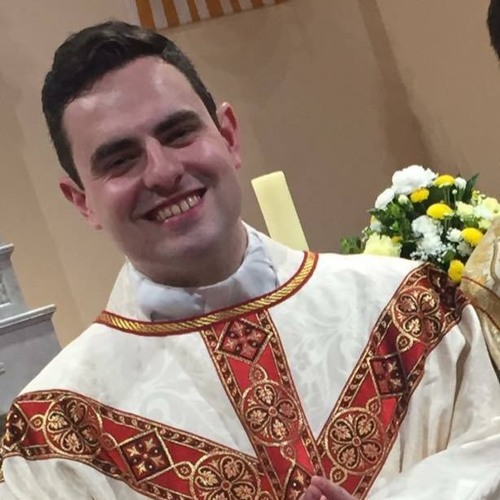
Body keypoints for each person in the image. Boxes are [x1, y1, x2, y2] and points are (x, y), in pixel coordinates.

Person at [0, 20, 500, 500]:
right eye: (120, 159)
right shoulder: (57, 429)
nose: (163, 171)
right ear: (82, 201)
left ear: (229, 135)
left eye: (178, 133)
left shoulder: (409, 307)